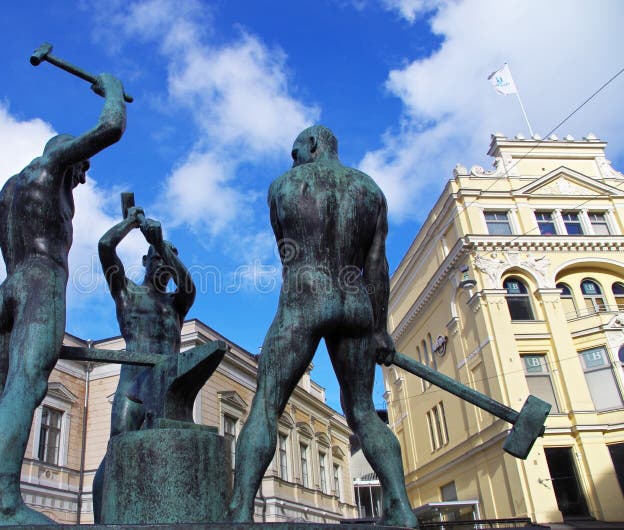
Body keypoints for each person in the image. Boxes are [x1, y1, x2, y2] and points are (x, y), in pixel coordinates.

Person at [0, 73, 127, 527]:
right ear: (67, 154)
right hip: (40, 285)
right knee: (27, 385)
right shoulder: (51, 167)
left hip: (6, 291)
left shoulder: (6, 195)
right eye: (82, 168)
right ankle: (3, 504)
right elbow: (111, 127)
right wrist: (112, 89)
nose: (82, 177)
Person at [227, 125, 418, 528]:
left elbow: (287, 253)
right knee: (363, 412)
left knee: (266, 404)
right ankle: (401, 508)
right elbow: (377, 266)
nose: (293, 159)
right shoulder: (370, 191)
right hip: (357, 304)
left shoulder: (282, 187)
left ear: (312, 144)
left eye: (295, 151)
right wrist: (379, 328)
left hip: (305, 296)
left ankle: (240, 511)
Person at [92, 207, 196, 522]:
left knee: (169, 456)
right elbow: (104, 246)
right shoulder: (127, 292)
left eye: (167, 259)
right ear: (144, 260)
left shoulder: (177, 304)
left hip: (168, 389)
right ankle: (102, 522)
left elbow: (190, 286)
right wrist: (131, 222)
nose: (162, 262)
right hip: (133, 387)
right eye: (156, 257)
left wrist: (160, 244)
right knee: (117, 451)